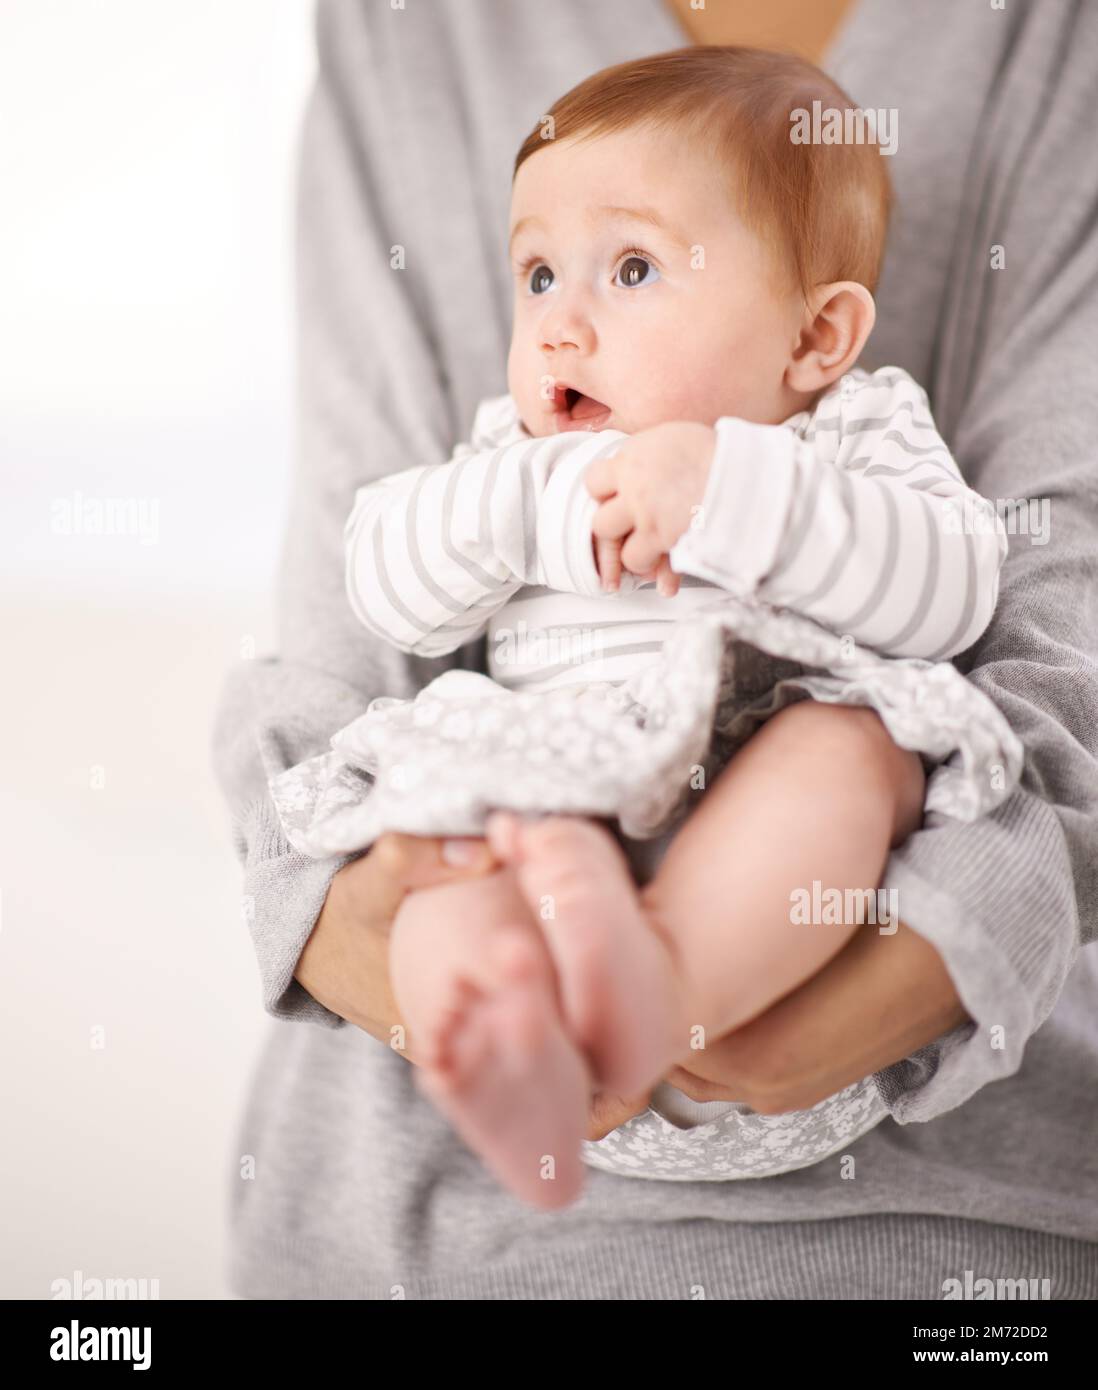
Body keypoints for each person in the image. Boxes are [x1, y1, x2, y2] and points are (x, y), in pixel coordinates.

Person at [212, 0, 1098, 1297]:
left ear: (816, 338)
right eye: (535, 277)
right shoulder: (509, 458)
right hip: (547, 769)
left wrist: (737, 496)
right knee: (453, 832)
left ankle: (664, 970)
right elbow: (384, 585)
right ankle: (492, 1032)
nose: (560, 325)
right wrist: (525, 507)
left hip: (764, 793)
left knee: (857, 750)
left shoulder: (851, 436)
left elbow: (953, 592)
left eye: (629, 270)